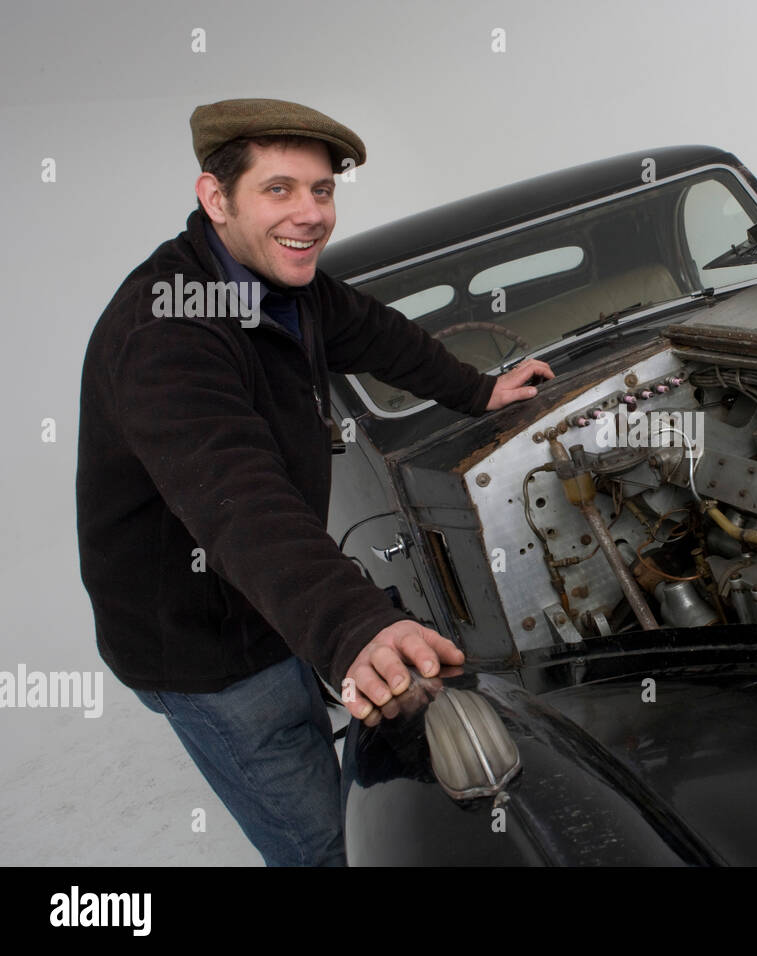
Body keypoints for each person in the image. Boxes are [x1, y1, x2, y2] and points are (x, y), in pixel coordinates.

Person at [75, 98, 553, 865]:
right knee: (328, 847)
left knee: (330, 758)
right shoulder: (164, 332)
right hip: (206, 648)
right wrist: (351, 626)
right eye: (279, 189)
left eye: (322, 190)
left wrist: (478, 390)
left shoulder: (282, 281)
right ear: (214, 197)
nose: (309, 214)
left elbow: (374, 331)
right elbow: (239, 501)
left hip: (277, 605)